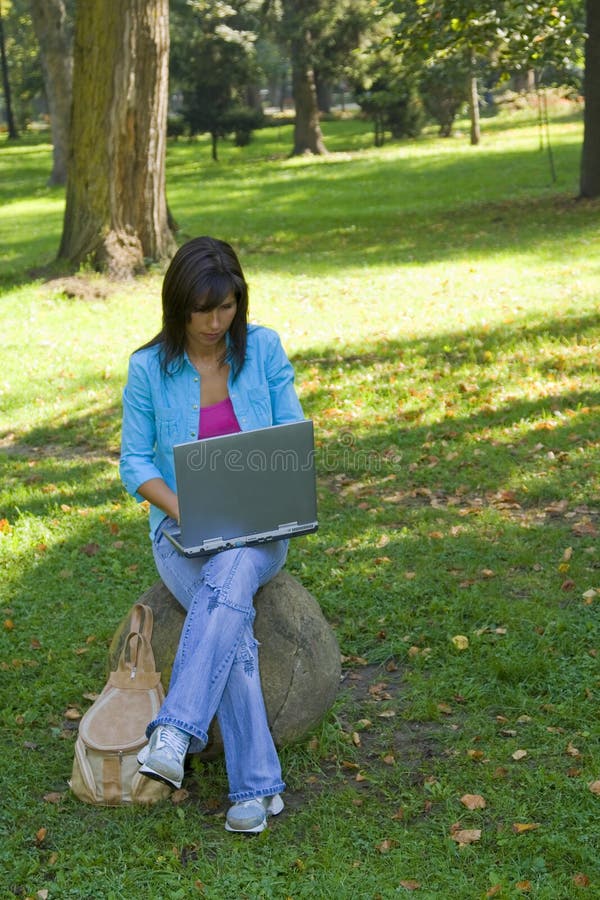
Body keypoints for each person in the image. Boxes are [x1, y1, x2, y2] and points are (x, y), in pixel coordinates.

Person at [119, 236, 304, 833]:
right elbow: (135, 464)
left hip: (258, 533)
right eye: (202, 311)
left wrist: (262, 493)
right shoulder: (149, 368)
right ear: (178, 306)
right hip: (182, 532)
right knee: (231, 614)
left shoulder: (265, 350)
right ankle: (255, 790)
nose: (214, 323)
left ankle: (174, 732)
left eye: (226, 308)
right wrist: (191, 511)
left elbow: (291, 435)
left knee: (229, 571)